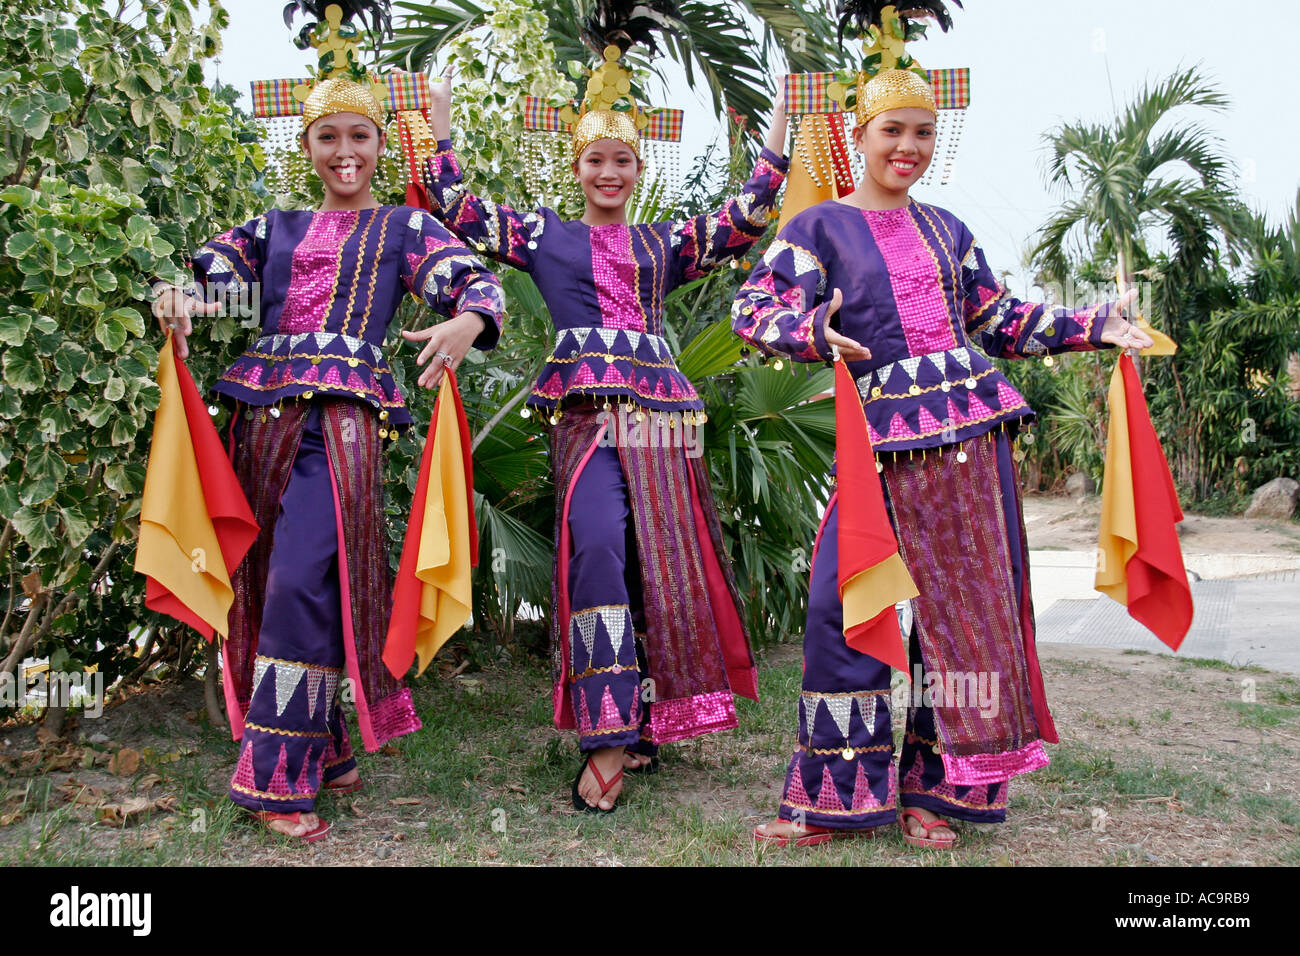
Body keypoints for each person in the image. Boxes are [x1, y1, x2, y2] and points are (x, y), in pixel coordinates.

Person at [733, 66, 1153, 848]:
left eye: (923, 132)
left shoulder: (948, 228)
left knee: (962, 615)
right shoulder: (818, 227)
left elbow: (997, 317)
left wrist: (1093, 323)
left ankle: (940, 791)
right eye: (892, 130)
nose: (908, 146)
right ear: (857, 136)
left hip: (970, 438)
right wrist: (810, 332)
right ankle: (838, 793)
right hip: (877, 451)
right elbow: (755, 308)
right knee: (840, 604)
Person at [422, 66, 789, 813]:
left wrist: (780, 120)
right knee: (594, 547)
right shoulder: (545, 236)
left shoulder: (664, 244)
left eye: (622, 160)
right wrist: (440, 124)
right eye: (596, 160)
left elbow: (747, 215)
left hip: (661, 422)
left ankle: (644, 719)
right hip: (586, 417)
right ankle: (605, 733)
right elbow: (459, 209)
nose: (609, 172)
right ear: (576, 167)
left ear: (638, 167)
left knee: (655, 559)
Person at [151, 76, 505, 840]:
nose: (345, 152)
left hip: (341, 428)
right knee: (272, 574)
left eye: (360, 136)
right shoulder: (272, 227)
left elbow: (475, 281)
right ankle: (329, 747)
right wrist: (181, 298)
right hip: (258, 421)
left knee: (301, 576)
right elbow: (209, 279)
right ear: (307, 147)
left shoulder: (405, 228)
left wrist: (468, 322)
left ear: (380, 145)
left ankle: (276, 776)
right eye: (328, 137)